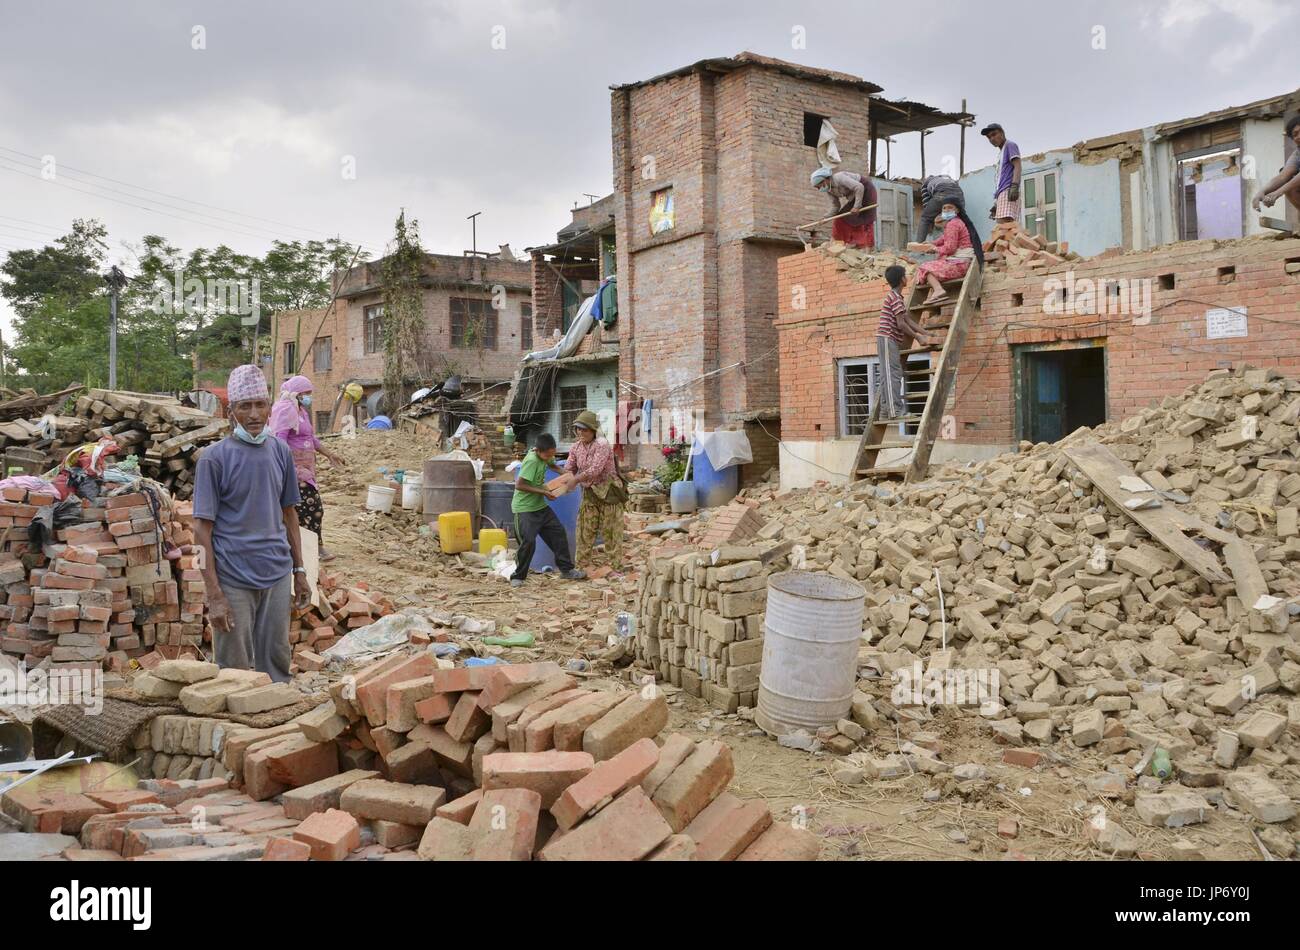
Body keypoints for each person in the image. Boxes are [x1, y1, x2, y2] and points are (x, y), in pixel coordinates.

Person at [193, 365, 310, 683]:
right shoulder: (214, 459)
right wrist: (213, 594)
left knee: (276, 664)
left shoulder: (280, 452)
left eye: (260, 404)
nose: (255, 414)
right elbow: (201, 531)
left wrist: (299, 571)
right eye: (246, 406)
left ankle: (277, 727)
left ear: (271, 407)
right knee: (233, 672)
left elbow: (290, 515)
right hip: (233, 580)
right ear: (232, 411)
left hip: (276, 573)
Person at [270, 375, 344, 561]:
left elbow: (311, 438)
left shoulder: (301, 411)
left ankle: (304, 548)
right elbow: (280, 440)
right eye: (306, 394)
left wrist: (329, 454)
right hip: (294, 470)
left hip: (306, 469)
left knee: (303, 510)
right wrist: (288, 468)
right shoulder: (285, 410)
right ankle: (314, 549)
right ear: (296, 393)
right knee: (313, 508)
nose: (309, 397)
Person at [510, 432, 586, 588]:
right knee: (529, 542)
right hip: (525, 509)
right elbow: (520, 485)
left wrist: (564, 473)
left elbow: (551, 464)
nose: (549, 457)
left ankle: (567, 570)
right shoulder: (531, 461)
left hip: (540, 507)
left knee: (558, 533)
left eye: (552, 454)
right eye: (547, 455)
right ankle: (518, 576)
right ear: (538, 450)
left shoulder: (547, 454)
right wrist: (544, 492)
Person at [565, 410, 626, 572]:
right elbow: (569, 468)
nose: (580, 432)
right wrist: (563, 480)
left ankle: (615, 567)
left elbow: (595, 469)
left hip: (609, 491)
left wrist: (575, 480)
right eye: (578, 429)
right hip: (590, 492)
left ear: (593, 430)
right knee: (585, 530)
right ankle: (582, 566)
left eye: (584, 429)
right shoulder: (576, 447)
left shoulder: (602, 444)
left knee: (611, 531)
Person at [877, 265, 936, 420]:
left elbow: (907, 320)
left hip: (889, 339)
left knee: (888, 375)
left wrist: (925, 333)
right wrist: (918, 338)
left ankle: (885, 411)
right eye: (905, 275)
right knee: (893, 375)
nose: (907, 277)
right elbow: (901, 324)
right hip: (887, 338)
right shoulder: (894, 297)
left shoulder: (897, 298)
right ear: (902, 279)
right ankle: (894, 410)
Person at [912, 194, 985, 306]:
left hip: (960, 263)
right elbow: (944, 238)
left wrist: (935, 249)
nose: (946, 210)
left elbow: (950, 248)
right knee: (933, 263)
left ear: (957, 210)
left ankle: (938, 290)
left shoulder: (953, 224)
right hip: (961, 262)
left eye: (950, 207)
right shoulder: (956, 222)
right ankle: (937, 292)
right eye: (944, 208)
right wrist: (931, 244)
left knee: (924, 267)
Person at [811, 167, 877, 248]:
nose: (819, 189)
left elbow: (859, 187)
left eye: (818, 186)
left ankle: (866, 246)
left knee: (866, 219)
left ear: (824, 180)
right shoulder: (829, 190)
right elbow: (836, 205)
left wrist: (857, 206)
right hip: (854, 197)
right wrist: (826, 218)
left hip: (866, 189)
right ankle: (839, 244)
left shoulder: (839, 178)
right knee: (840, 219)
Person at [1252, 115, 1300, 218]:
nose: (1299, 136)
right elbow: (1283, 176)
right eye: (1295, 134)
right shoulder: (1297, 154)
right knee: (1289, 183)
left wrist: (1277, 193)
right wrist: (1262, 192)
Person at [981, 123, 1022, 225]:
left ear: (1002, 133)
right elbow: (1001, 179)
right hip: (1003, 192)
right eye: (989, 137)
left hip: (1008, 190)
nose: (992, 139)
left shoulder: (1010, 145)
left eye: (994, 134)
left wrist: (1014, 186)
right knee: (1006, 228)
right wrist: (997, 203)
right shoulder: (1001, 153)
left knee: (1004, 227)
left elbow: (1017, 165)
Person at [915, 174, 967, 242]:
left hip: (942, 192)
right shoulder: (950, 180)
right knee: (960, 219)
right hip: (959, 195)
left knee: (925, 218)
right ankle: (963, 243)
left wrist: (930, 223)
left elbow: (926, 205)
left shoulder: (925, 184)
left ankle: (918, 245)